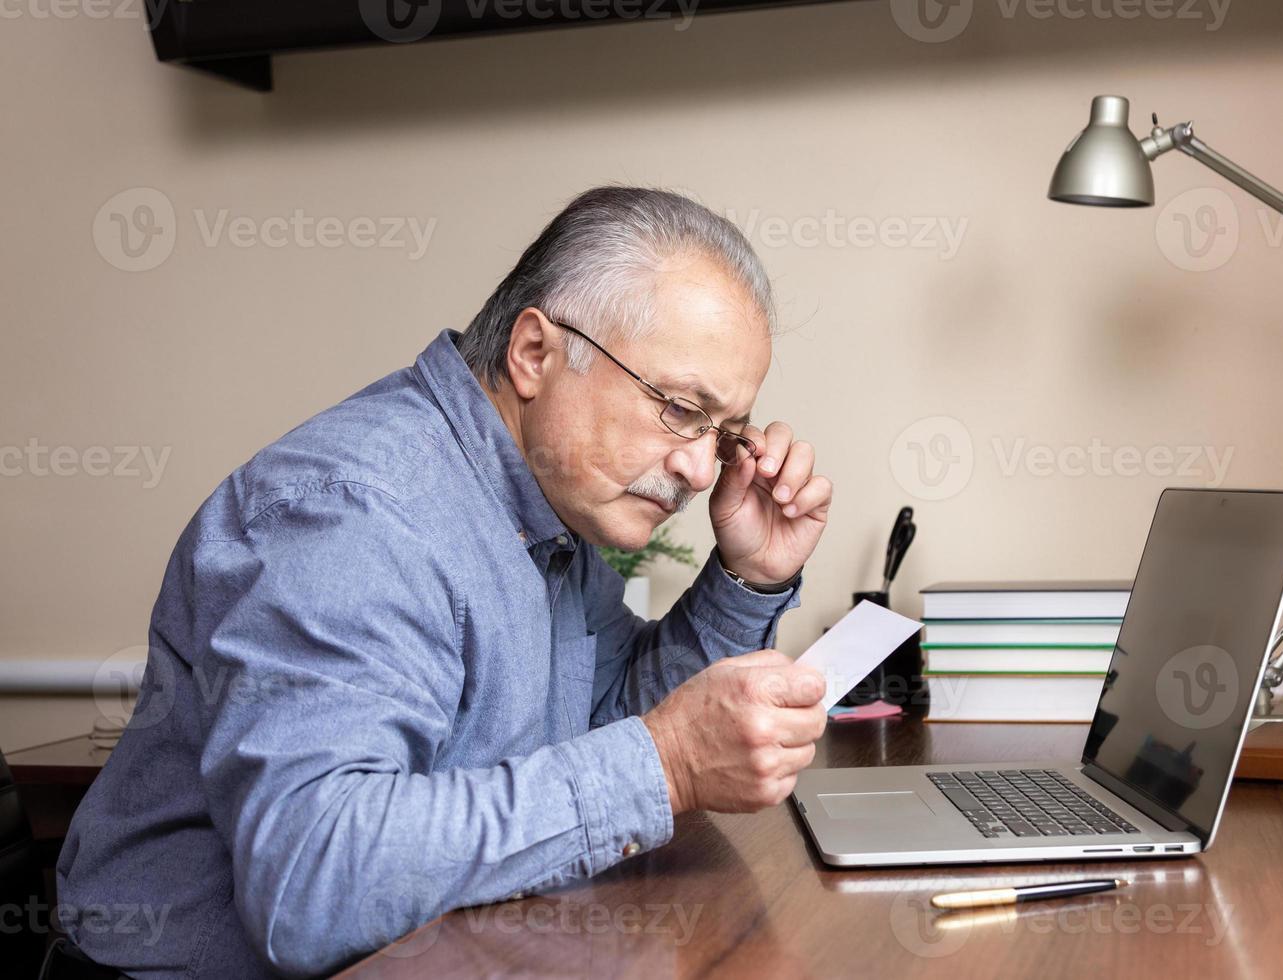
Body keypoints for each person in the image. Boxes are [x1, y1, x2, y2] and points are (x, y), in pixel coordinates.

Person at [55, 186, 833, 978]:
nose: (701, 470)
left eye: (722, 432)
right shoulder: (353, 514)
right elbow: (312, 884)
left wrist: (746, 577)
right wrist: (664, 765)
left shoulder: (547, 504)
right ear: (535, 354)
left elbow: (608, 722)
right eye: (678, 408)